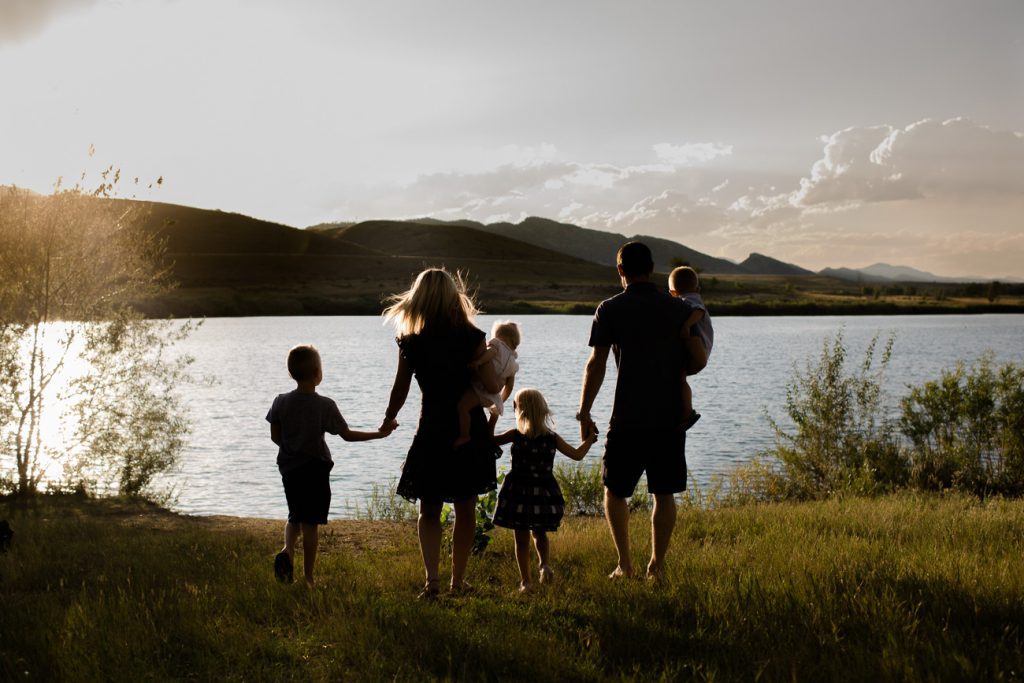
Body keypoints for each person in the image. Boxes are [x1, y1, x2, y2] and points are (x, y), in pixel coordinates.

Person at [577, 242, 696, 581]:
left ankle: (624, 564)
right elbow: (695, 356)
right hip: (671, 416)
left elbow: (596, 364)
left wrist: (584, 412)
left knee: (614, 491)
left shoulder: (610, 309)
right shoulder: (678, 308)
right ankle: (656, 567)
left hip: (628, 415)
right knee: (664, 491)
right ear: (652, 269)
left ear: (620, 271)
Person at [379, 268, 501, 598]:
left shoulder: (410, 342)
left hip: (431, 428)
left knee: (429, 509)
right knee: (465, 507)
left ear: (418, 299)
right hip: (468, 428)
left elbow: (400, 387)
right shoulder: (473, 338)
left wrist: (389, 418)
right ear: (452, 297)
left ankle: (431, 582)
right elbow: (492, 386)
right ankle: (457, 582)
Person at [266, 344, 393, 587]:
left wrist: (292, 446)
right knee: (310, 523)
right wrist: (378, 434)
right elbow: (346, 435)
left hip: (289, 468)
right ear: (317, 373)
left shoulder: (280, 401)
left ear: (291, 374)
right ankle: (308, 578)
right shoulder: (324, 405)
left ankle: (287, 550)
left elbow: (275, 437)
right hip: (315, 469)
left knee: (295, 514)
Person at [492, 388, 596, 593]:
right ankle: (544, 565)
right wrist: (590, 439)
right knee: (539, 533)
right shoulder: (551, 438)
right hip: (543, 494)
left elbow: (488, 441)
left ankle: (526, 582)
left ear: (518, 410)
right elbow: (577, 455)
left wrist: (493, 418)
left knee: (521, 539)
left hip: (518, 494)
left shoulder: (515, 435)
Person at [454, 320, 521, 448]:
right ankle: (490, 432)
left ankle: (464, 435)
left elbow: (490, 353)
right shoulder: (513, 363)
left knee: (462, 407)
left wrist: (479, 361)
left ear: (498, 335)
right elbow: (510, 386)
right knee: (494, 413)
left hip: (480, 389)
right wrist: (500, 400)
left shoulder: (497, 344)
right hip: (492, 398)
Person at [668, 266, 714, 430]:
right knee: (679, 378)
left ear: (672, 292)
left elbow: (699, 311)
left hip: (699, 349)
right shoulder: (691, 298)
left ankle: (687, 411)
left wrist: (687, 325)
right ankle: (686, 411)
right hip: (702, 351)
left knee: (679, 378)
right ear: (697, 288)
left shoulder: (689, 300)